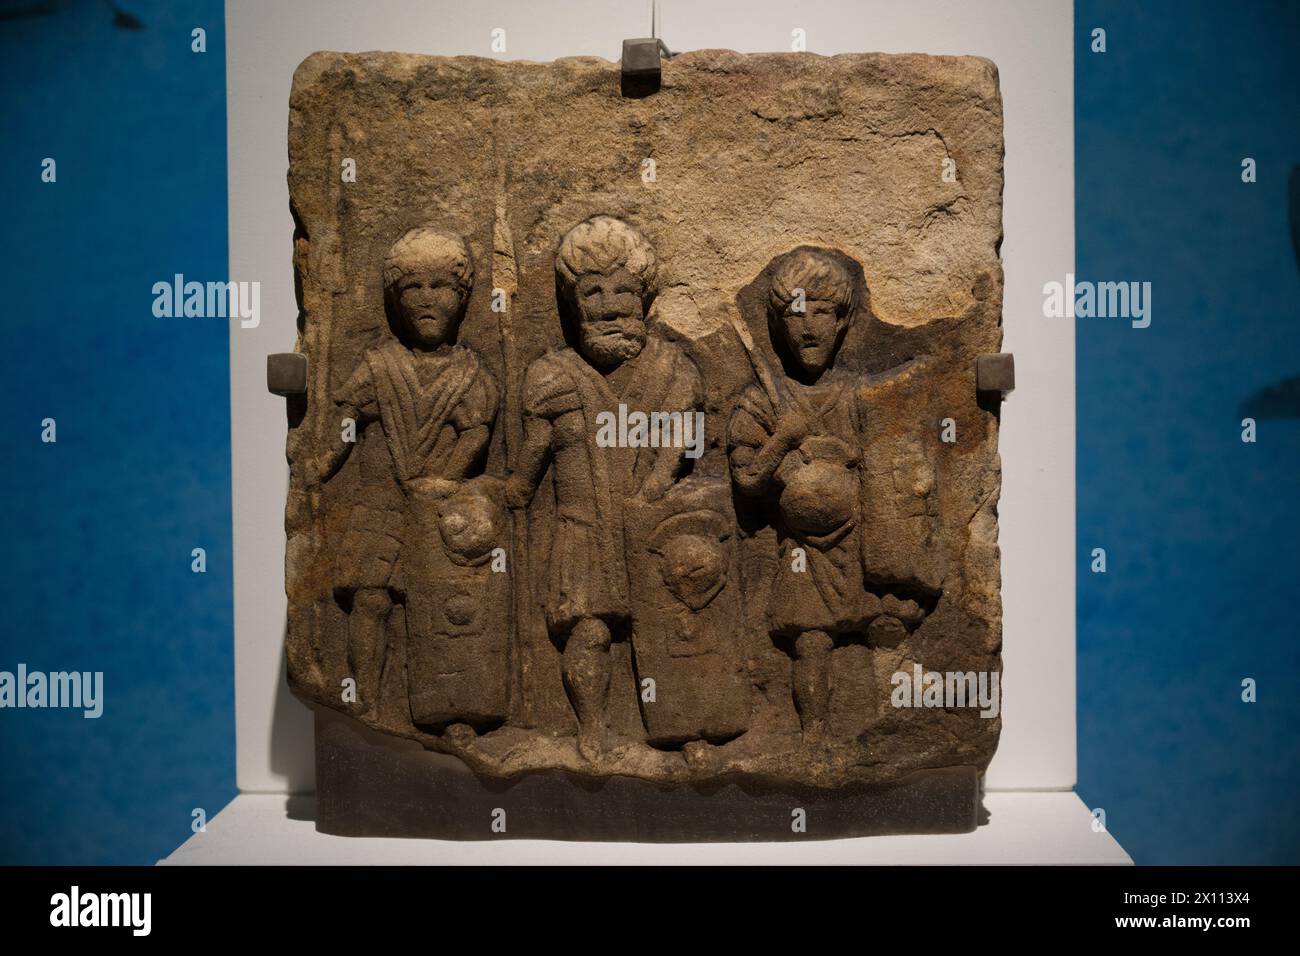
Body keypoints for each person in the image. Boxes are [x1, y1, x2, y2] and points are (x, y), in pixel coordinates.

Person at [506, 215, 701, 758]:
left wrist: (657, 490)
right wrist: (514, 490)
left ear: (645, 300)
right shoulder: (551, 378)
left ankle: (690, 726)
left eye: (623, 292)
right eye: (592, 293)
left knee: (672, 629)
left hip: (652, 524)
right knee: (589, 631)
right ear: (572, 305)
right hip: (584, 528)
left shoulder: (672, 371)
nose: (610, 305)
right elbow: (531, 461)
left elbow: (684, 441)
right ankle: (591, 728)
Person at [309, 227, 498, 717]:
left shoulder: (470, 374)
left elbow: (476, 432)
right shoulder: (381, 366)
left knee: (442, 609)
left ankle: (446, 707)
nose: (426, 300)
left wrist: (449, 478)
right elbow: (349, 424)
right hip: (383, 501)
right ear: (395, 298)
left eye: (439, 287)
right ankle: (366, 696)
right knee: (370, 601)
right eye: (413, 288)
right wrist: (323, 463)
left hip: (438, 507)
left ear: (461, 296)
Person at [727, 247, 869, 743]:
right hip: (803, 547)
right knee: (811, 640)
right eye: (796, 313)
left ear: (844, 321)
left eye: (823, 312)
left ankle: (893, 727)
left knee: (889, 619)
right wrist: (783, 440)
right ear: (777, 324)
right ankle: (814, 735)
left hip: (860, 536)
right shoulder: (759, 402)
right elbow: (746, 479)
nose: (809, 328)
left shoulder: (859, 395)